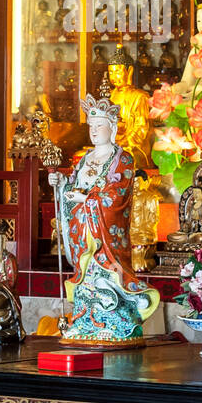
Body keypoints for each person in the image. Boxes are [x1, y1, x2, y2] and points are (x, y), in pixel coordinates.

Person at [47, 95, 159, 347]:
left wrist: (86, 198)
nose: (94, 131)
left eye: (99, 125)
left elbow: (116, 194)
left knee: (107, 275)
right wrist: (61, 184)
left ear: (113, 128)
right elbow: (72, 188)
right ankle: (86, 319)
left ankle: (116, 318)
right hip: (83, 229)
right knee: (86, 278)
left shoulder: (123, 159)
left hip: (106, 232)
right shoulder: (85, 159)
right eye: (90, 125)